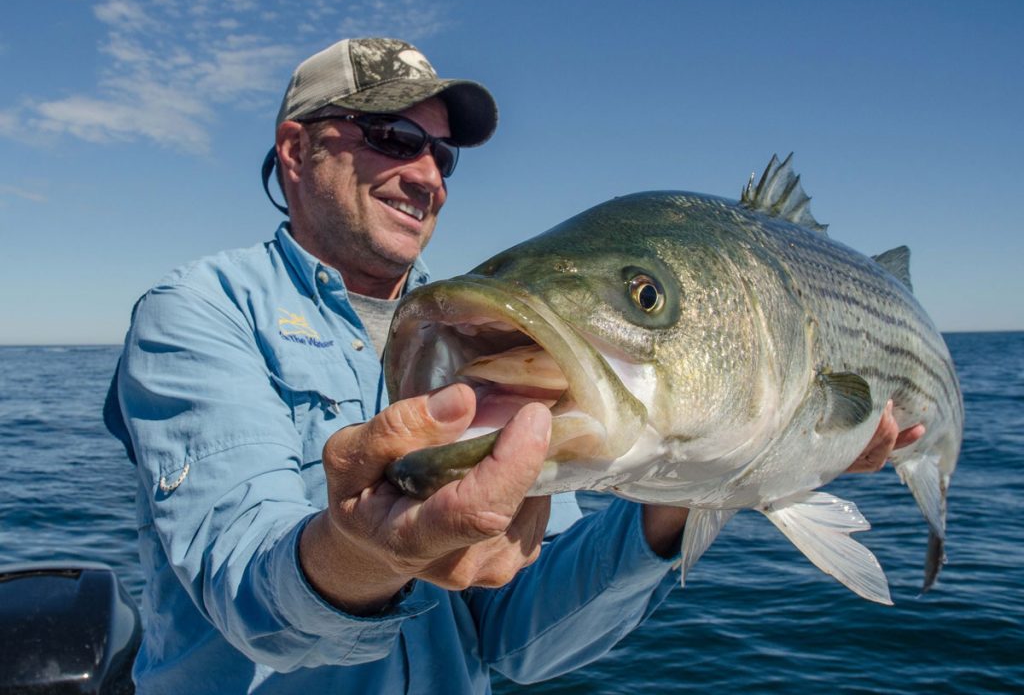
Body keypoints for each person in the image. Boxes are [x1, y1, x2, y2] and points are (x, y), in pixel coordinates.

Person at [104, 37, 923, 693]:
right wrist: (372, 553)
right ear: (295, 149)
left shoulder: (503, 354)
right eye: (393, 138)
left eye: (444, 155)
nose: (427, 175)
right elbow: (247, 597)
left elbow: (517, 640)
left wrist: (683, 500)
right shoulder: (200, 312)